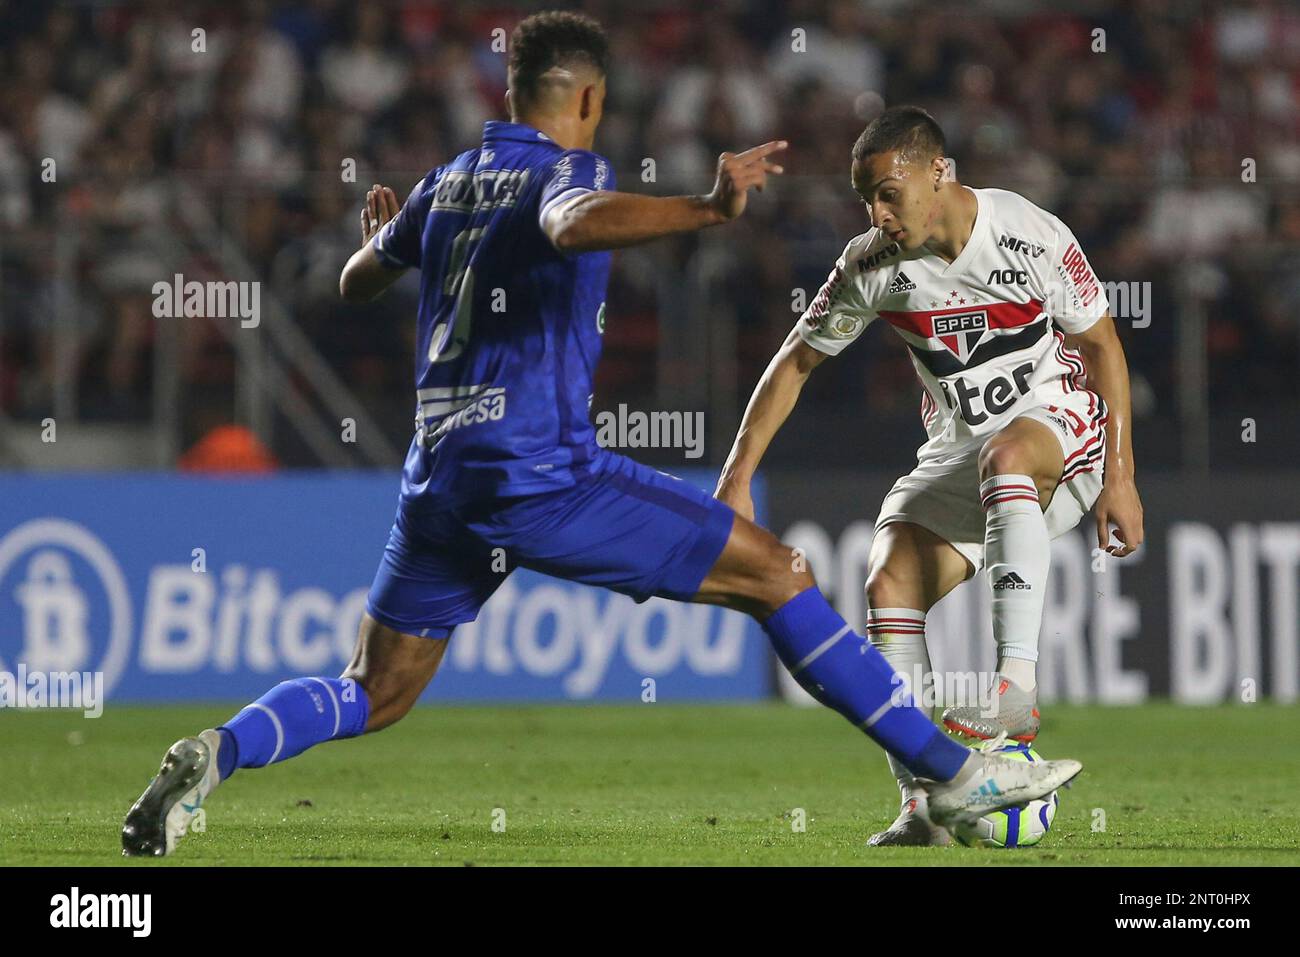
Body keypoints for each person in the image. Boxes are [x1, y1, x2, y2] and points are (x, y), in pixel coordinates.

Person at [123, 16, 1079, 858]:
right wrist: (703, 209)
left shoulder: (448, 179)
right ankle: (957, 773)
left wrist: (381, 237)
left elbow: (354, 280)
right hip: (538, 472)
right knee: (780, 575)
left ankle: (219, 750)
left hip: (439, 478)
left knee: (373, 690)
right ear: (586, 95)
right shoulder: (567, 170)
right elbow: (573, 223)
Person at [716, 105, 1140, 846]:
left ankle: (1015, 690)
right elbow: (796, 362)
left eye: (887, 192)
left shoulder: (1028, 233)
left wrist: (1123, 478)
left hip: (1059, 422)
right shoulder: (872, 264)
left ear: (940, 173)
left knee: (1006, 455)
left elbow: (1103, 342)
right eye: (865, 199)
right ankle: (927, 800)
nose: (878, 214)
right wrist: (737, 475)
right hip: (962, 446)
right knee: (889, 581)